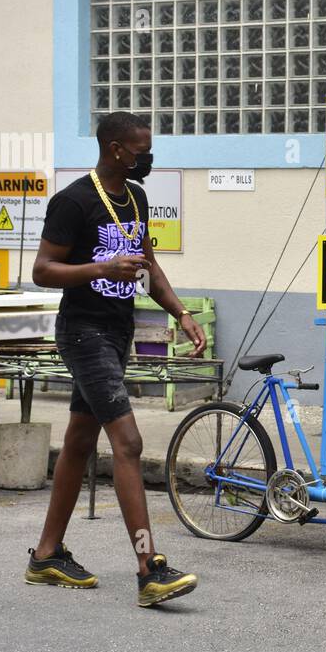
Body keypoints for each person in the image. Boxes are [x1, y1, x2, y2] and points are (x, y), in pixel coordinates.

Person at [24, 111, 207, 607]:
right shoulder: (73, 201)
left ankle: (46, 555)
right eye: (140, 148)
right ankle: (149, 569)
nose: (147, 156)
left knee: (80, 440)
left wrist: (182, 314)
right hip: (83, 332)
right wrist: (102, 266)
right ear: (114, 148)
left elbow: (149, 266)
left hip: (117, 330)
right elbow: (42, 270)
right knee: (127, 441)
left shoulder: (137, 198)